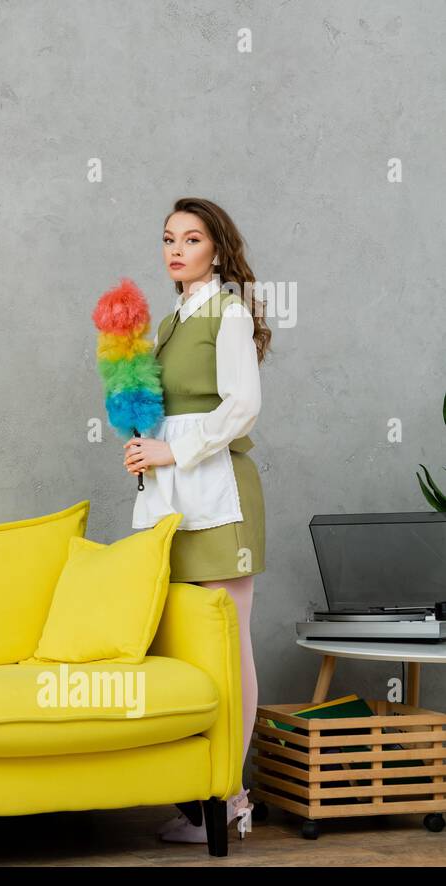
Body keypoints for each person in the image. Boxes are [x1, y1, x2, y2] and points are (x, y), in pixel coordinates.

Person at [123, 197, 271, 843]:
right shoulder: (169, 321)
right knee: (187, 648)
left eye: (191, 238)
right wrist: (143, 447)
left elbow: (243, 406)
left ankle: (231, 798)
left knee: (228, 649)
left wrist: (173, 450)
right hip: (172, 500)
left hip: (220, 503)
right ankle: (199, 795)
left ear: (217, 249)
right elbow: (172, 410)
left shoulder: (227, 313)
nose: (176, 249)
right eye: (167, 239)